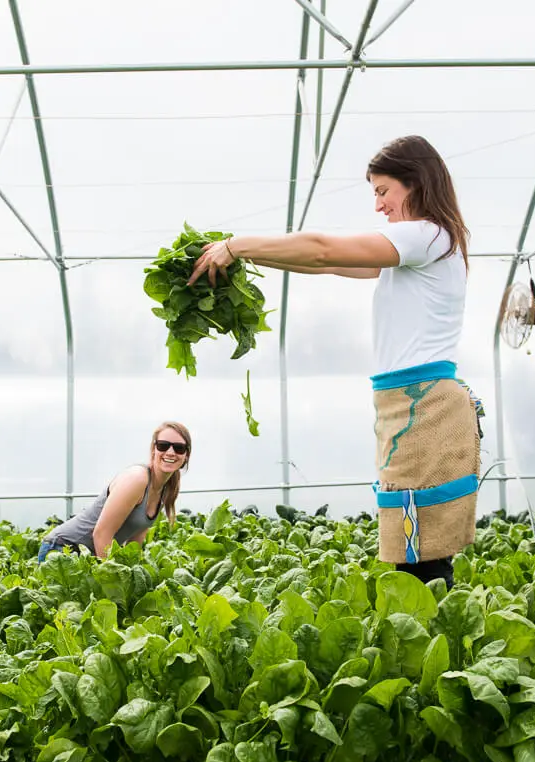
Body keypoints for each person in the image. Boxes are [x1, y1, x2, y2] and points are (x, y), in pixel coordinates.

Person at [189, 135, 481, 589]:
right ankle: (431, 631)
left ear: (416, 182)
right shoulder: (423, 247)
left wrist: (237, 244)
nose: (380, 206)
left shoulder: (426, 234)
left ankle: (435, 639)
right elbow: (326, 263)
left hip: (423, 406)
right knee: (414, 543)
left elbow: (325, 248)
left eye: (384, 191)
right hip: (409, 404)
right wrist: (247, 255)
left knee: (420, 550)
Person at [39, 422, 191, 560]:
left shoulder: (166, 487)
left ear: (186, 456)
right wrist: (112, 581)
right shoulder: (138, 478)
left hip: (89, 555)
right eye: (163, 446)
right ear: (153, 450)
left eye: (179, 448)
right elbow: (101, 534)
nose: (171, 452)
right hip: (62, 550)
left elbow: (135, 542)